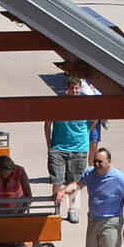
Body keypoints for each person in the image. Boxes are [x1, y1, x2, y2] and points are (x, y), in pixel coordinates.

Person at [54, 147, 124, 247]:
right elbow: (77, 185)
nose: (96, 164)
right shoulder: (90, 173)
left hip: (111, 221)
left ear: (109, 162)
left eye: (100, 162)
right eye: (95, 161)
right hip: (93, 219)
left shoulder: (119, 179)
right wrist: (64, 190)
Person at [44, 77, 96, 224]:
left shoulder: (86, 105)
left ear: (80, 88)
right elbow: (47, 124)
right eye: (72, 88)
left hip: (79, 149)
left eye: (77, 88)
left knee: (75, 182)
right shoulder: (58, 105)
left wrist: (85, 133)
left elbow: (95, 119)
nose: (75, 91)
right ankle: (57, 208)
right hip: (59, 149)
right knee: (57, 181)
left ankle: (71, 210)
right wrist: (50, 145)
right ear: (67, 89)